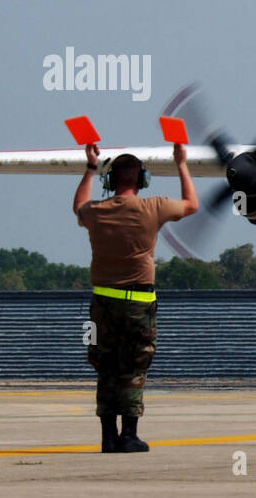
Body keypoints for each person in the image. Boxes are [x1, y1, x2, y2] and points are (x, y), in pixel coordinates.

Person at [74, 141, 199, 452]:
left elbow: (78, 206)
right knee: (133, 367)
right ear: (141, 180)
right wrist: (181, 163)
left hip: (101, 304)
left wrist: (90, 167)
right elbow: (191, 204)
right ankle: (129, 435)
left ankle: (107, 436)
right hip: (138, 303)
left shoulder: (96, 212)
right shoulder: (152, 208)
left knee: (105, 367)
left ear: (110, 181)